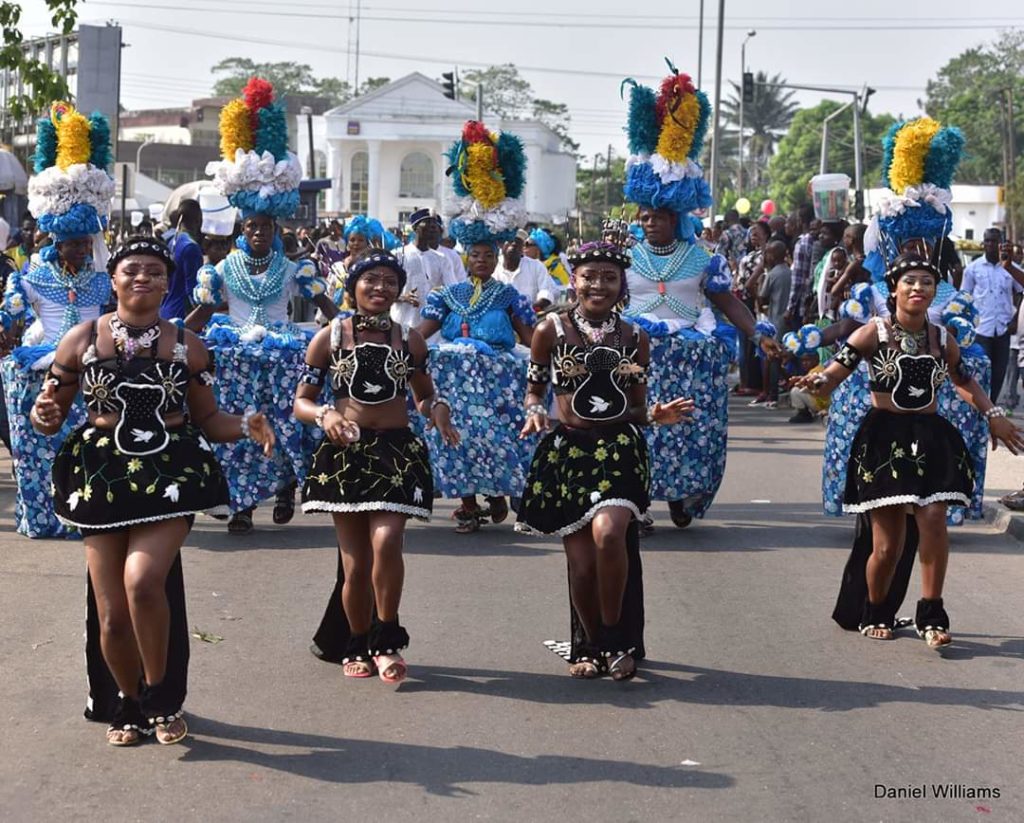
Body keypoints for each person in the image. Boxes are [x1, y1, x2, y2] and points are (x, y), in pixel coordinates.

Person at [35, 236, 273, 746]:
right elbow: (48, 412)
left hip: (170, 474)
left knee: (143, 582)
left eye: (153, 271)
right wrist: (43, 414)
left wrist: (247, 423)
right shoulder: (81, 340)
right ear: (113, 279)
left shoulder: (188, 345)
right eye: (131, 269)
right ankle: (128, 701)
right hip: (100, 477)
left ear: (167, 282)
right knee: (111, 615)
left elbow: (209, 420)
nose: (142, 277)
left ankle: (162, 697)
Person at [795, 253, 1022, 648]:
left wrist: (993, 414)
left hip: (930, 437)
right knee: (888, 545)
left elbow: (963, 380)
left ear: (935, 291)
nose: (918, 288)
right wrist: (816, 383)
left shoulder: (941, 337)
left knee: (934, 517)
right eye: (910, 281)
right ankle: (876, 609)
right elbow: (836, 370)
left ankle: (931, 611)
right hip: (884, 439)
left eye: (927, 282)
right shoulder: (873, 333)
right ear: (894, 289)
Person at [517, 239, 693, 679]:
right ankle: (589, 647)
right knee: (580, 566)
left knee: (610, 534)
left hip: (619, 449)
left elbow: (635, 406)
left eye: (609, 277)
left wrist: (654, 415)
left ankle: (617, 642)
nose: (599, 285)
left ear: (622, 286)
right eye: (589, 276)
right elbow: (534, 389)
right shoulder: (549, 331)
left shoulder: (635, 337)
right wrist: (535, 410)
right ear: (573, 280)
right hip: (567, 452)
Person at [618, 63, 780, 530]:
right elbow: (601, 303)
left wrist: (758, 332)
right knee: (639, 429)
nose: (650, 222)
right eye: (644, 216)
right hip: (638, 354)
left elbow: (727, 302)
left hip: (691, 356)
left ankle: (681, 492)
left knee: (689, 431)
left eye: (659, 217)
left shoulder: (705, 257)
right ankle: (639, 500)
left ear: (677, 217)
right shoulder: (623, 257)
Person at [299, 250, 459, 683]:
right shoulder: (330, 338)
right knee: (354, 564)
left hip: (396, 452)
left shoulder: (410, 340)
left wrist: (438, 411)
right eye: (371, 279)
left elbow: (424, 395)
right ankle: (356, 641)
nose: (380, 288)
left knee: (387, 542)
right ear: (353, 287)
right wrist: (326, 416)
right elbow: (302, 401)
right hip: (345, 457)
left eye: (390, 280)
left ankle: (386, 639)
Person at [188, 77, 336, 534]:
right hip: (233, 358)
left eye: (266, 228)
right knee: (236, 429)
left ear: (275, 229)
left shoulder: (296, 269)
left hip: (284, 356)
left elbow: (327, 309)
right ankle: (242, 505)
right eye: (251, 227)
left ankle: (287, 489)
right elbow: (202, 315)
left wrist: (347, 331)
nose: (258, 234)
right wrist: (173, 333)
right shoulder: (220, 271)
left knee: (288, 426)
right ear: (240, 230)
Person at [0, 103, 115, 537]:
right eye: (77, 244)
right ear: (58, 241)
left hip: (89, 371)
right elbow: (10, 317)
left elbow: (114, 321)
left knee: (88, 446)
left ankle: (86, 514)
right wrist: (5, 330)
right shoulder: (31, 277)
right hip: (38, 367)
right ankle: (43, 516)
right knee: (35, 448)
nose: (85, 250)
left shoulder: (104, 283)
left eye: (88, 243)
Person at [415, 119, 536, 533]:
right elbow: (423, 333)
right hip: (453, 384)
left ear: (496, 256)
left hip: (497, 382)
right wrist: (391, 343)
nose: (481, 260)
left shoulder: (508, 295)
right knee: (452, 437)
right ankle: (467, 502)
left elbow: (528, 337)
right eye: (476, 255)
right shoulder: (447, 295)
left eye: (488, 254)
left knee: (496, 437)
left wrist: (558, 350)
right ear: (465, 258)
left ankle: (498, 493)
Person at [961, 228, 1024, 403]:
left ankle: (992, 410)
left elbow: (1021, 294)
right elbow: (964, 298)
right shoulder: (972, 269)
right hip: (981, 330)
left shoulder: (1011, 269)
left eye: (994, 241)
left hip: (1003, 330)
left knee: (998, 375)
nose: (990, 244)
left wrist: (1015, 319)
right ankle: (983, 412)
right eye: (987, 240)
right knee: (982, 374)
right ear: (983, 243)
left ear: (1001, 244)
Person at [756, 240, 791, 409]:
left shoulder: (773, 274)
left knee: (773, 357)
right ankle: (786, 388)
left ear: (774, 255)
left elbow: (762, 296)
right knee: (785, 354)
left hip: (774, 319)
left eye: (768, 253)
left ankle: (773, 394)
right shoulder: (790, 272)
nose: (766, 256)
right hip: (787, 320)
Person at [496, 231, 561, 311]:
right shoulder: (494, 267)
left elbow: (546, 293)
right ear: (501, 245)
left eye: (517, 242)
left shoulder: (536, 266)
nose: (513, 244)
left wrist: (529, 310)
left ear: (522, 248)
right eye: (510, 241)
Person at [161, 199, 203, 321]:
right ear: (198, 219)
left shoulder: (172, 242)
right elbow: (193, 291)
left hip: (165, 310)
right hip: (182, 316)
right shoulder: (191, 247)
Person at [400, 208, 459, 293]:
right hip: (404, 306)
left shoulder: (442, 259)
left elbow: (453, 289)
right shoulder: (399, 255)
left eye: (434, 223)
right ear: (415, 227)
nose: (432, 227)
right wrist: (402, 297)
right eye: (427, 222)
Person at [785, 204, 816, 329]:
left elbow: (798, 280)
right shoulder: (816, 239)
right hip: (814, 303)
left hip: (803, 304)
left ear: (800, 221)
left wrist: (790, 308)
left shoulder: (802, 243)